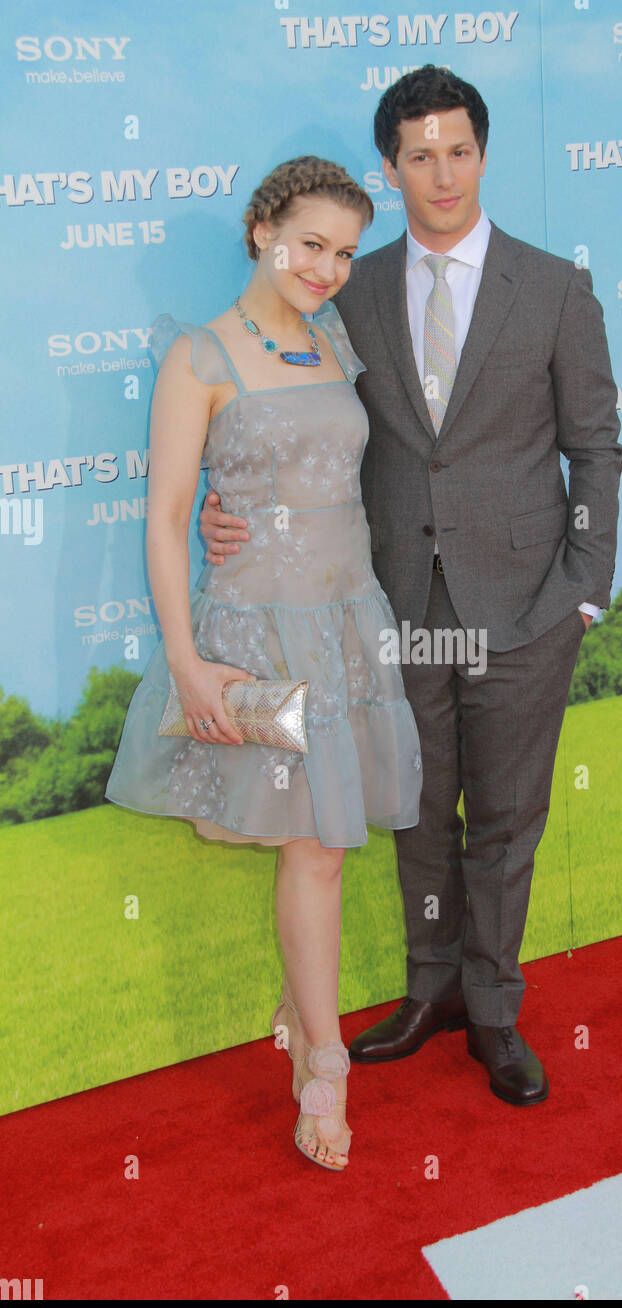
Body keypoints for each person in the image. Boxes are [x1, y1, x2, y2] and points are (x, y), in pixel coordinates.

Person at [201, 67, 622, 1106]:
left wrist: (583, 590)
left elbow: (594, 447)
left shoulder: (554, 288)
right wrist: (234, 512)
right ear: (387, 168)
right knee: (417, 811)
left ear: (483, 153)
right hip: (390, 606)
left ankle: (492, 1009)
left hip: (526, 607)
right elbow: (303, 427)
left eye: (459, 151)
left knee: (508, 817)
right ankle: (427, 988)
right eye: (419, 155)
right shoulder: (352, 287)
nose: (442, 173)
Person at [105, 156, 423, 1171]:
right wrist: (188, 663)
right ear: (258, 230)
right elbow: (163, 519)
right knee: (311, 840)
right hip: (254, 637)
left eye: (343, 251)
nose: (326, 268)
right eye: (308, 244)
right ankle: (323, 1062)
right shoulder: (198, 358)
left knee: (321, 843)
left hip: (344, 627)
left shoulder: (337, 341)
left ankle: (306, 1026)